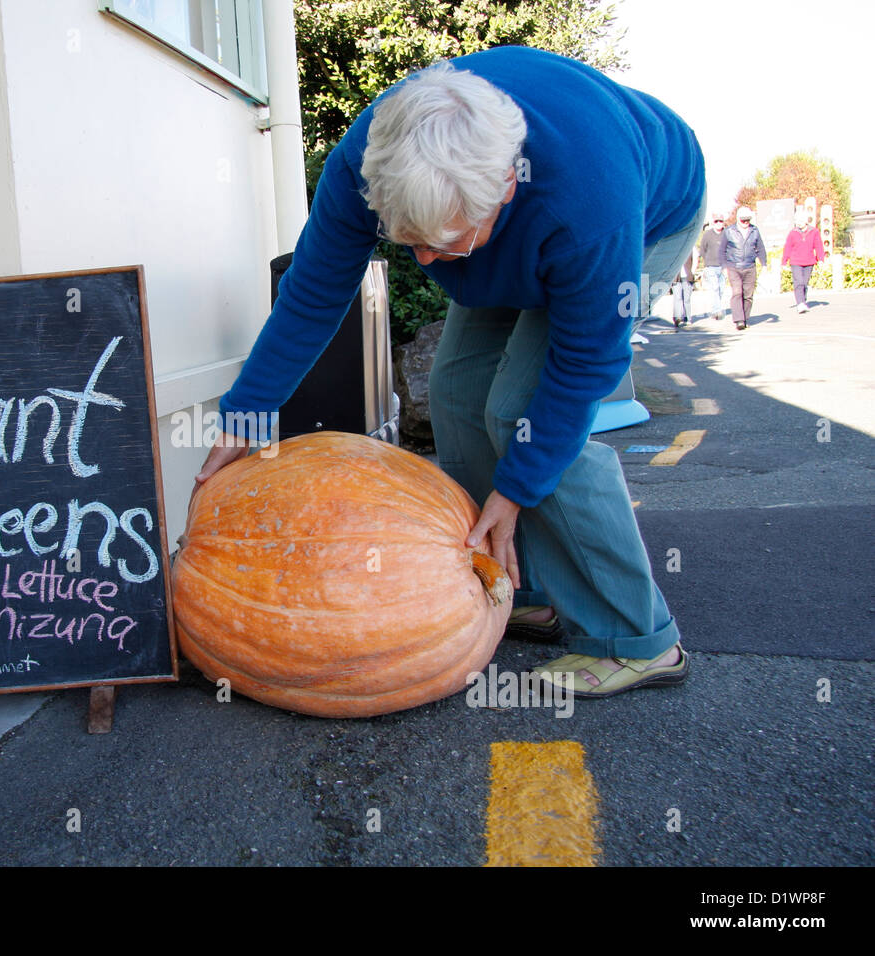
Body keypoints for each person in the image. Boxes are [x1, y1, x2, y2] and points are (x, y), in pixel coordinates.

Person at [195, 47, 703, 699]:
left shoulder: (590, 201)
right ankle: (522, 584)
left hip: (653, 212)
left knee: (523, 415)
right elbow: (313, 296)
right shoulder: (368, 161)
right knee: (456, 391)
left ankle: (634, 636)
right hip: (519, 237)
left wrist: (515, 491)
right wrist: (246, 414)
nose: (431, 260)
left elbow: (584, 367)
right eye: (411, 243)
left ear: (506, 187)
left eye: (447, 242)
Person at [718, 206, 768, 329]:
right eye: (743, 220)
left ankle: (745, 318)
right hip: (734, 266)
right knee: (737, 292)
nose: (746, 223)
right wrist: (724, 266)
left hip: (750, 266)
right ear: (738, 219)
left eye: (748, 220)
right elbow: (721, 250)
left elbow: (760, 248)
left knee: (748, 295)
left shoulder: (754, 231)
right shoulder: (729, 231)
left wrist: (764, 264)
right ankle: (739, 320)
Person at [782, 212, 825, 312]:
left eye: (801, 221)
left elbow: (818, 245)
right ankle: (800, 303)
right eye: (797, 221)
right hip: (795, 261)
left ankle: (803, 301)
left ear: (806, 221)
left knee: (804, 283)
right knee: (799, 282)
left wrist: (821, 259)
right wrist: (784, 261)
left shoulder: (814, 232)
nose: (798, 223)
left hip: (809, 261)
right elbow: (787, 247)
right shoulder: (793, 233)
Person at [698, 215, 730, 319]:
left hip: (723, 266)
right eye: (716, 221)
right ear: (713, 223)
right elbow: (702, 249)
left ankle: (714, 309)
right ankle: (717, 311)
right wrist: (706, 261)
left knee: (721, 289)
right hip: (711, 266)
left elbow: (730, 248)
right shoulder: (707, 235)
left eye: (721, 221)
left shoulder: (726, 234)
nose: (719, 223)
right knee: (715, 288)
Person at [670, 252, 695, 330]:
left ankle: (687, 318)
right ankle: (677, 318)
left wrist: (691, 273)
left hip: (687, 276)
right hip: (676, 277)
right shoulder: (674, 249)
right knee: (677, 298)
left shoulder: (690, 247)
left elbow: (696, 259)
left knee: (687, 299)